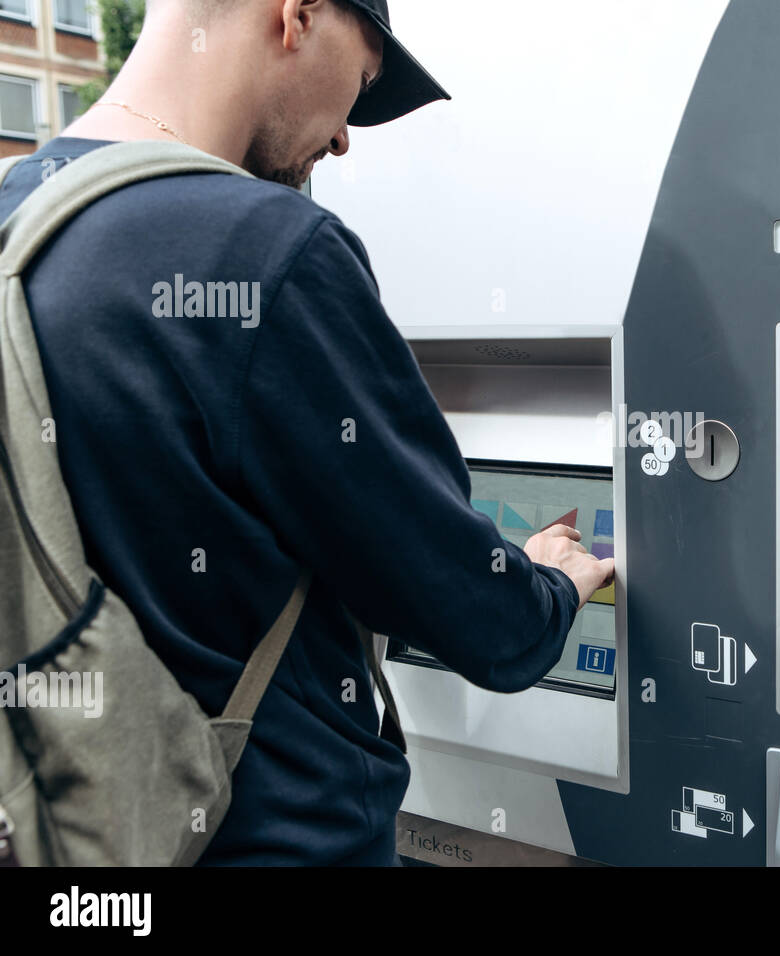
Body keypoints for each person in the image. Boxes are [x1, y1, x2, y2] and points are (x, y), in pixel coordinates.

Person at [0, 0, 614, 865]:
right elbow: (481, 618)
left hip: (81, 834)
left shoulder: (18, 221)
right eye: (360, 85)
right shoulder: (264, 251)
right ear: (296, 15)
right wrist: (548, 586)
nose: (343, 141)